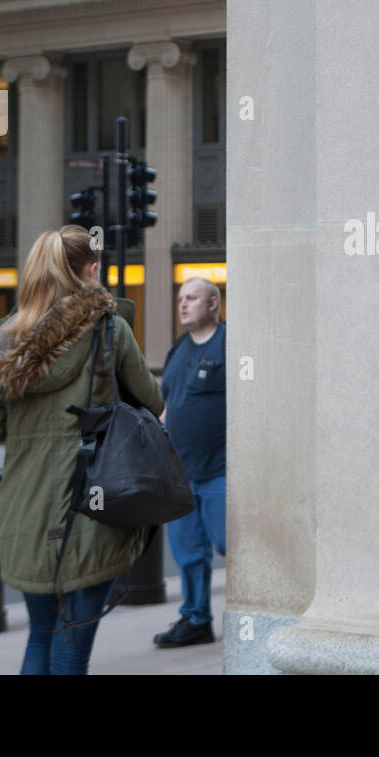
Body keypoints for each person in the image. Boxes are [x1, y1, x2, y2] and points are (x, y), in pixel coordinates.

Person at [0, 225, 163, 675]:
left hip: (24, 512)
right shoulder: (107, 330)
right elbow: (153, 401)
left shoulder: (1, 344)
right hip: (89, 510)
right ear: (91, 270)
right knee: (71, 650)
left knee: (39, 636)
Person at [154, 277, 226, 648]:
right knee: (188, 553)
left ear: (212, 303)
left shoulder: (228, 344)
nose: (183, 304)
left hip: (220, 470)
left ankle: (255, 612)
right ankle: (196, 619)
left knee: (232, 544)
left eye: (192, 298)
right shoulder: (178, 350)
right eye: (181, 298)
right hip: (181, 473)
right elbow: (169, 404)